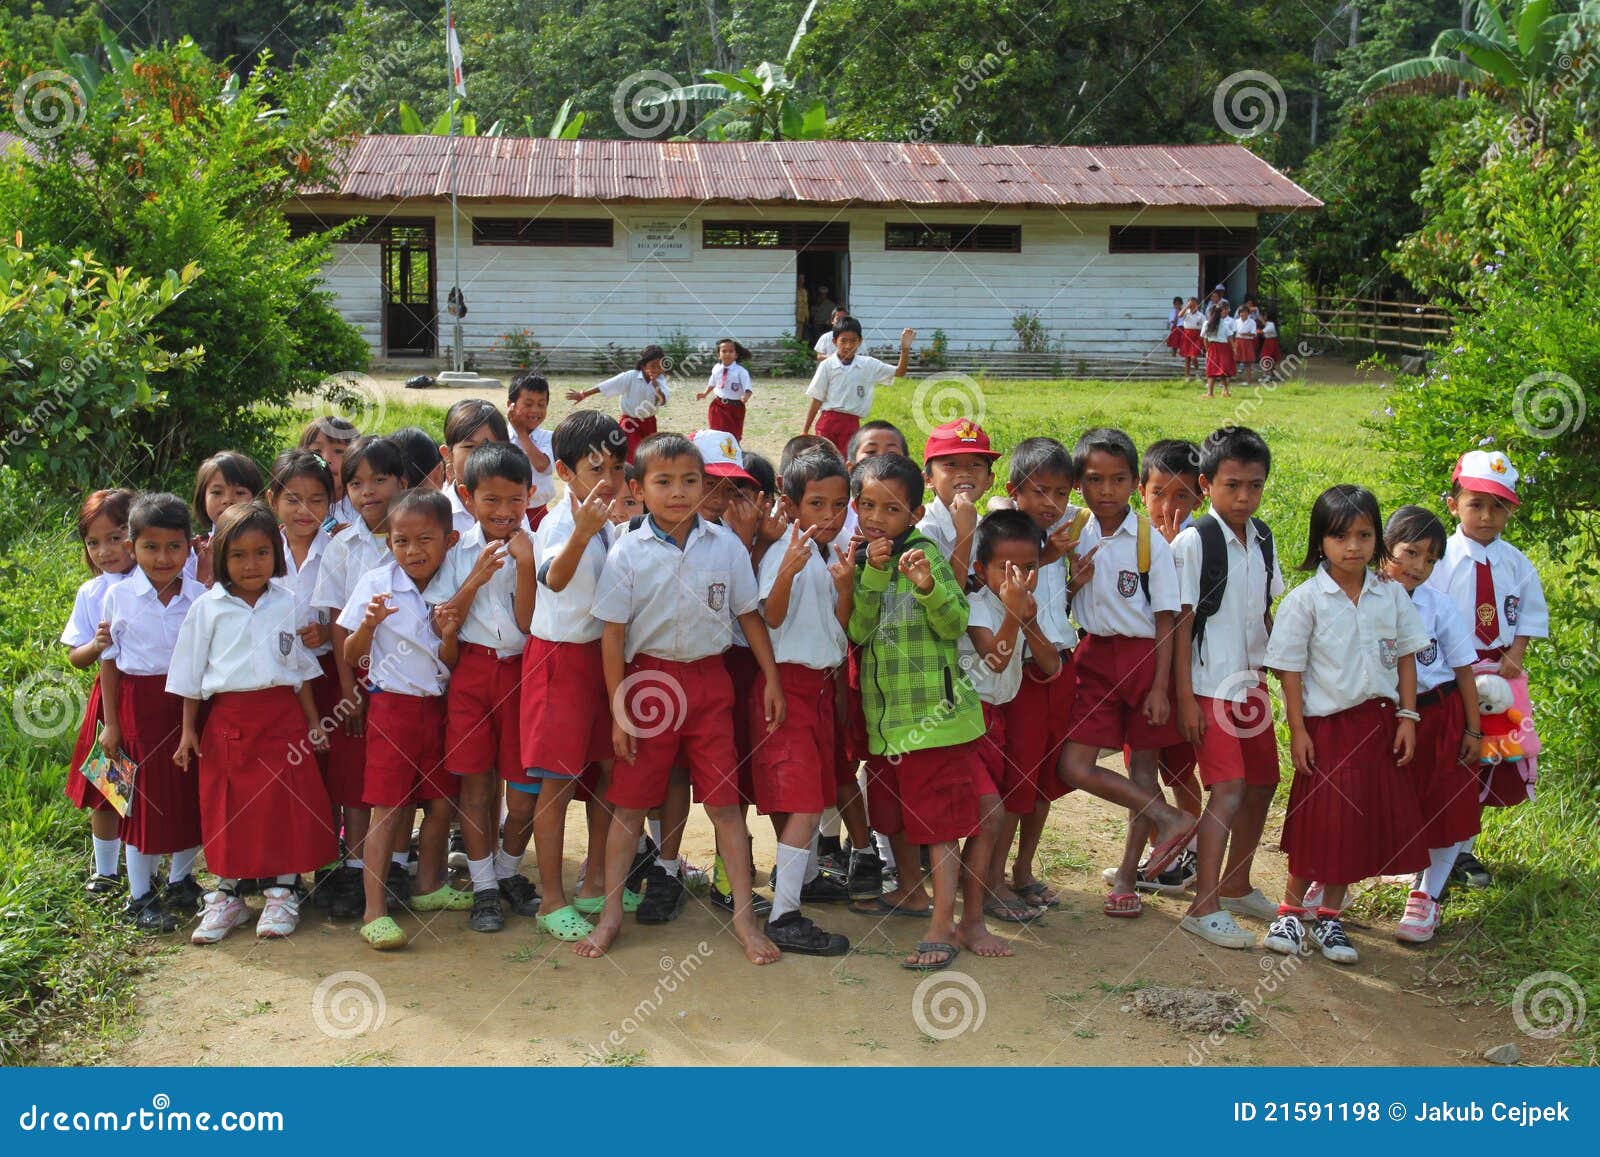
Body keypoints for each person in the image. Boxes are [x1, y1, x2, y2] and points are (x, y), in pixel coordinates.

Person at [581, 433, 785, 965]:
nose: (678, 492)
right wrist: (619, 711)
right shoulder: (626, 552)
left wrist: (772, 678)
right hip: (648, 685)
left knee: (724, 808)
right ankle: (610, 918)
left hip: (710, 683)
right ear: (637, 488)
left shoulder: (726, 546)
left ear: (704, 485)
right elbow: (611, 636)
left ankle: (744, 920)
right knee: (628, 807)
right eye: (663, 482)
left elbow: (748, 616)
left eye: (690, 481)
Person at [1262, 484, 1429, 964]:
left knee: (1356, 824)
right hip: (1328, 728)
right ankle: (1292, 911)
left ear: (1378, 538)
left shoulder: (1391, 596)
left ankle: (1330, 918)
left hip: (1378, 724)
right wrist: (1298, 732)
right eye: (1340, 537)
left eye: (1363, 534)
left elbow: (1405, 660)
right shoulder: (1306, 600)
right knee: (1320, 822)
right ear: (1321, 541)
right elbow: (1289, 672)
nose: (1352, 546)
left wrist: (1408, 716)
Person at [846, 453, 992, 969]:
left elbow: (955, 624)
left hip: (935, 723)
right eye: (867, 505)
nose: (876, 518)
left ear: (913, 514)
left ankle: (943, 923)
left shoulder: (927, 551)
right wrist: (873, 577)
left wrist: (928, 587)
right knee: (898, 819)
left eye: (891, 509)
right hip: (887, 728)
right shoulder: (864, 560)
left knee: (940, 827)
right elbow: (858, 632)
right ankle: (912, 893)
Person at [169, 501, 335, 944]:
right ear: (221, 556)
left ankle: (283, 889)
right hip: (229, 721)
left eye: (262, 552)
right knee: (228, 807)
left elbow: (298, 669)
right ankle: (227, 895)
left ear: (275, 554)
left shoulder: (287, 602)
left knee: (283, 803)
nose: (251, 564)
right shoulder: (208, 608)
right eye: (238, 555)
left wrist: (314, 722)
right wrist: (188, 730)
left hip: (282, 719)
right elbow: (189, 672)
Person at [1056, 428, 1196, 918]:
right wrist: (1071, 584)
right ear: (1078, 484)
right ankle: (1167, 816)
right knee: (1073, 766)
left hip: (1143, 660)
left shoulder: (1149, 540)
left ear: (1134, 483)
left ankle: (1127, 875)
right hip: (1092, 657)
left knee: (1142, 768)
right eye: (1095, 479)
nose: (1107, 490)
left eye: (1118, 479)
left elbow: (1166, 617)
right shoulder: (1071, 531)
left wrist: (1161, 686)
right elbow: (1059, 600)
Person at [1170, 427, 1286, 948]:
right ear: (1206, 484)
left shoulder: (1262, 537)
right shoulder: (1195, 541)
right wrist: (1183, 697)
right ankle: (1203, 903)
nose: (1244, 497)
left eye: (1255, 485)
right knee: (1230, 787)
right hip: (1207, 684)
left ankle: (1237, 884)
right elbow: (1178, 622)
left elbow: (1265, 608)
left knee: (1263, 780)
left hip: (1250, 683)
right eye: (1232, 484)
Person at [339, 489, 467, 950]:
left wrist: (449, 634)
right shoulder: (377, 583)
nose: (413, 551)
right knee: (388, 809)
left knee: (439, 803)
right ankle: (374, 909)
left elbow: (449, 660)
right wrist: (369, 626)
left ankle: (428, 884)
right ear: (388, 543)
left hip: (436, 708)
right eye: (401, 541)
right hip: (391, 709)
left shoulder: (453, 582)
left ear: (449, 540)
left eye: (425, 540)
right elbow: (353, 653)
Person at [523, 411, 633, 942]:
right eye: (596, 468)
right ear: (565, 471)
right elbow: (555, 578)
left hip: (599, 660)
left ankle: (595, 879)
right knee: (557, 784)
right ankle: (550, 898)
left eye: (615, 467)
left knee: (607, 773)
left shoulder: (610, 523)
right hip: (560, 663)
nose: (608, 480)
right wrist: (584, 531)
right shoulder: (560, 522)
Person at [426, 442, 538, 932]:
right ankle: (485, 887)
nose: (504, 512)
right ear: (468, 498)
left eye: (515, 500)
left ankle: (508, 870)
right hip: (471, 672)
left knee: (525, 794)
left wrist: (526, 564)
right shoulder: (457, 549)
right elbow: (442, 621)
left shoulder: (537, 545)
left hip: (522, 671)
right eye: (491, 500)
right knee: (474, 784)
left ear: (530, 496)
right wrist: (477, 575)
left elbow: (528, 621)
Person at [752, 449, 858, 954]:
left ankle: (802, 880)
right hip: (787, 686)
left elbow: (836, 629)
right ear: (790, 505)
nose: (830, 516)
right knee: (805, 801)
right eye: (817, 503)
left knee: (808, 796)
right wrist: (788, 571)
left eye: (840, 505)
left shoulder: (825, 555)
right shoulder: (784, 553)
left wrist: (845, 588)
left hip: (815, 686)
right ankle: (785, 914)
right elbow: (769, 618)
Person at [1425, 449, 1546, 888]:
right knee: (1452, 758)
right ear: (1453, 503)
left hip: (1500, 673)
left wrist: (1517, 649)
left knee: (1489, 761)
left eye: (1499, 507)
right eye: (1476, 503)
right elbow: (1425, 614)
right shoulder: (1439, 559)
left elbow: (1530, 612)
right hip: (1452, 674)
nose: (1487, 516)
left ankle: (1464, 851)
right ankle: (1431, 847)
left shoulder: (1516, 562)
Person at [99, 492, 207, 933]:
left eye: (174, 547)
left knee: (186, 798)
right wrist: (111, 724)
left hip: (189, 707)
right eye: (150, 547)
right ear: (132, 547)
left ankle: (181, 879)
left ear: (189, 547)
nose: (163, 558)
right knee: (137, 804)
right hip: (137, 708)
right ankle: (139, 895)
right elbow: (108, 662)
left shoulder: (201, 597)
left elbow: (202, 661)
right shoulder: (119, 597)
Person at [310, 436, 405, 918]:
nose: (367, 491)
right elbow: (333, 618)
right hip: (353, 671)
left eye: (379, 480)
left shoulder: (419, 534)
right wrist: (348, 690)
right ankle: (348, 868)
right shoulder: (342, 546)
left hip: (407, 675)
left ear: (402, 483)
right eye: (355, 483)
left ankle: (397, 865)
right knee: (353, 774)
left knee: (396, 774)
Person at [1381, 505, 1482, 944]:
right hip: (1383, 717)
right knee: (1382, 798)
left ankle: (1428, 895)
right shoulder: (1365, 598)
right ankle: (1338, 878)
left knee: (1443, 804)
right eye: (1410, 552)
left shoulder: (1439, 606)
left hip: (1439, 714)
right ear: (1385, 548)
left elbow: (1463, 672)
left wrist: (1474, 731)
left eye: (1430, 558)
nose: (1418, 566)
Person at [962, 511, 1062, 929]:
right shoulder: (976, 607)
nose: (1017, 577)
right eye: (1005, 568)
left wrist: (1030, 618)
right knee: (988, 812)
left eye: (1029, 568)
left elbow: (1051, 665)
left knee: (996, 807)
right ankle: (979, 893)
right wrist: (1013, 614)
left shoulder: (1023, 606)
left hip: (999, 716)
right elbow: (996, 658)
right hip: (971, 718)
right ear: (981, 570)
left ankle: (983, 886)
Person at [1116, 439, 1205, 893]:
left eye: (1182, 496)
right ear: (1141, 491)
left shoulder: (1194, 543)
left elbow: (1186, 616)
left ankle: (1189, 850)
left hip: (1181, 677)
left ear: (1199, 495)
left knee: (1180, 770)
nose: (1168, 505)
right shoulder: (1133, 537)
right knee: (1141, 769)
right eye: (1158, 493)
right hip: (1142, 675)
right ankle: (1161, 849)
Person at [998, 439, 1080, 910]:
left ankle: (1023, 869)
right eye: (1040, 492)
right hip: (1027, 672)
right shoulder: (1011, 538)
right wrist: (1048, 557)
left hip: (1060, 663)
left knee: (1043, 781)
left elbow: (1050, 602)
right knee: (1018, 781)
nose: (1051, 503)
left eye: (1061, 493)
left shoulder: (1059, 536)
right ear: (1015, 492)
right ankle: (991, 881)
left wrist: (1070, 580)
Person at [61, 488, 137, 896]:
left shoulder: (158, 580)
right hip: (108, 700)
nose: (105, 550)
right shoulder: (91, 593)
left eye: (116, 536)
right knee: (108, 786)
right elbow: (76, 656)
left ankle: (150, 866)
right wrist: (97, 644)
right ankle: (106, 872)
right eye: (93, 542)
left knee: (151, 786)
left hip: (155, 694)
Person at [801, 320, 914, 455]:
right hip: (827, 423)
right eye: (843, 341)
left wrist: (905, 348)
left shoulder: (868, 365)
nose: (848, 346)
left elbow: (900, 372)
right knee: (826, 463)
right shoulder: (827, 365)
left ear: (860, 341)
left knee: (849, 463)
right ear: (834, 342)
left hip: (851, 424)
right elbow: (817, 398)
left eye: (853, 341)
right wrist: (805, 430)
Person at [917, 418, 998, 581]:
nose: (965, 473)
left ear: (990, 479)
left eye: (975, 464)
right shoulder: (924, 530)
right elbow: (949, 599)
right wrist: (965, 534)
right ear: (928, 480)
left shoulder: (985, 529)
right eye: (951, 464)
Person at [567, 346, 670, 463]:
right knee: (632, 455)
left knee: (649, 455)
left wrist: (655, 384)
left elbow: (662, 401)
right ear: (643, 365)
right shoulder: (631, 376)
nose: (656, 369)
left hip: (649, 422)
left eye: (659, 365)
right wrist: (584, 394)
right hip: (630, 423)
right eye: (653, 365)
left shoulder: (661, 381)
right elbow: (607, 385)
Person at [438, 399, 514, 536]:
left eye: (491, 447)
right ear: (448, 454)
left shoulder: (513, 508)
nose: (480, 456)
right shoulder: (435, 514)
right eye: (469, 447)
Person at [190, 451, 264, 585]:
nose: (228, 500)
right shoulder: (193, 551)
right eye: (217, 492)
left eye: (240, 493)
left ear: (256, 498)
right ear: (202, 498)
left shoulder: (271, 545)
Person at [506, 373, 556, 530]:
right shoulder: (501, 436)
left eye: (541, 405)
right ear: (511, 405)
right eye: (528, 404)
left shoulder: (549, 438)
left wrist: (521, 434)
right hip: (505, 511)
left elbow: (542, 465)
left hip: (538, 512)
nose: (535, 410)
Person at [299, 416, 361, 529]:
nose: (326, 459)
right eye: (317, 451)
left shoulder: (364, 506)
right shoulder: (297, 508)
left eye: (338, 451)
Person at [697, 338, 754, 440]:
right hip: (718, 406)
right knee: (716, 433)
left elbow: (748, 389)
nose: (727, 354)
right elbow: (712, 383)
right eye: (724, 351)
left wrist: (746, 396)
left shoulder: (741, 372)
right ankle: (717, 452)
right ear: (718, 354)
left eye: (731, 351)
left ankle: (733, 452)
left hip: (735, 407)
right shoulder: (716, 368)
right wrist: (704, 393)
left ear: (736, 355)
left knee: (733, 435)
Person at [1202, 303, 1237, 398]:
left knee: (1212, 371)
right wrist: (1234, 348)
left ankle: (1210, 393)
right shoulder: (1224, 323)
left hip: (1214, 347)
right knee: (1222, 370)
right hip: (1224, 348)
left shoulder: (1207, 324)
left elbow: (1205, 339)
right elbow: (1230, 336)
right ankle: (1225, 391)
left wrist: (1207, 350)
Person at [1178, 297, 1205, 380]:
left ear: (1197, 304)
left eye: (1194, 304)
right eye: (1190, 304)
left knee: (1193, 356)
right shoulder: (1186, 313)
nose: (1192, 306)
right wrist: (1187, 306)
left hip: (1196, 335)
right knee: (1187, 357)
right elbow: (1179, 315)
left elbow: (1205, 325)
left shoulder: (1200, 315)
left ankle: (1197, 373)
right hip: (1187, 335)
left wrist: (1202, 336)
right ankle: (1187, 376)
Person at [1232, 303, 1259, 385]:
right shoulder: (1236, 321)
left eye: (1244, 312)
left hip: (1247, 342)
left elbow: (1254, 334)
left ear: (1248, 313)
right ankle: (1232, 378)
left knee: (1247, 363)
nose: (1242, 314)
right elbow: (1233, 333)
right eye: (1241, 312)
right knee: (1235, 361)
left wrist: (1246, 334)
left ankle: (1248, 381)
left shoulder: (1252, 322)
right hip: (1238, 342)